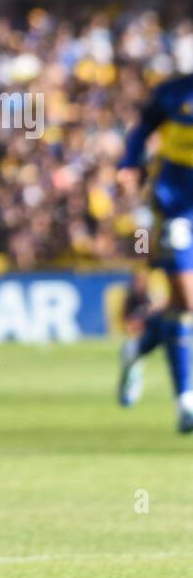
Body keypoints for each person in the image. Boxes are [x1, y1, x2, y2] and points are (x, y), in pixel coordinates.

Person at [117, 72, 193, 431]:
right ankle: (186, 401)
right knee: (188, 303)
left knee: (180, 307)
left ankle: (137, 349)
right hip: (175, 208)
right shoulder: (174, 92)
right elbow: (142, 129)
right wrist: (129, 165)